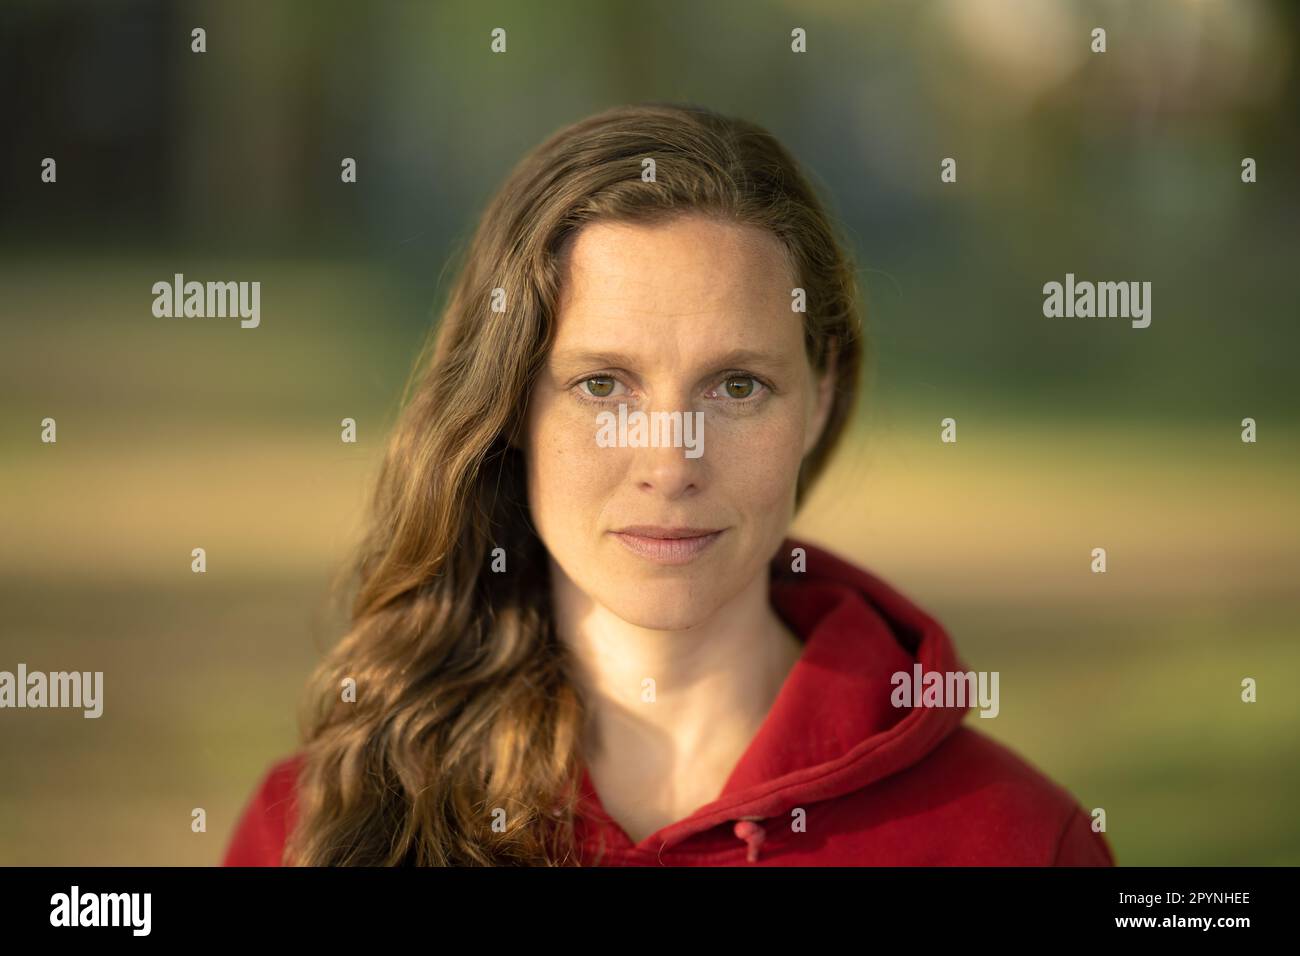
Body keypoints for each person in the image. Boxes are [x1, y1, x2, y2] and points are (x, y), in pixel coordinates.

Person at [223, 103, 1114, 866]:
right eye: (601, 385)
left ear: (820, 397)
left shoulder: (1017, 839)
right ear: (508, 409)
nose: (672, 464)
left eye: (738, 387)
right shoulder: (321, 826)